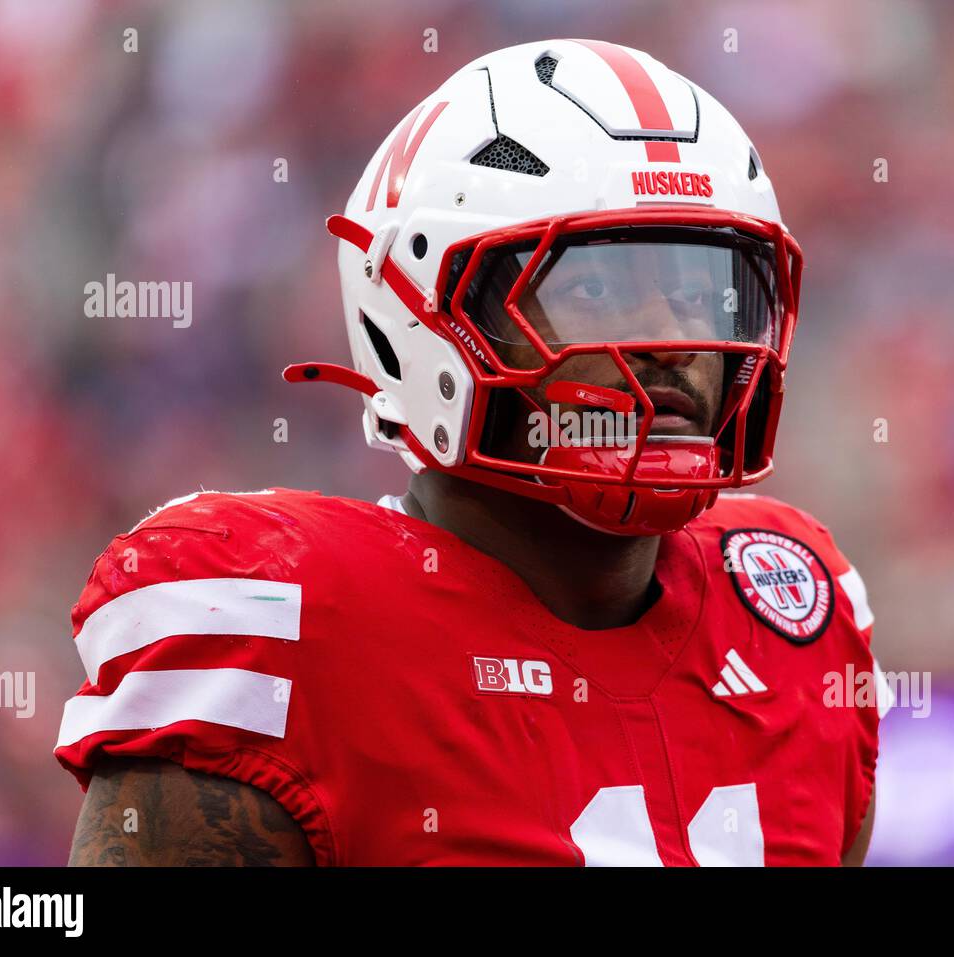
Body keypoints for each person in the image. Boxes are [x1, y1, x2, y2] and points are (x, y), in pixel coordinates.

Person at [57, 38, 887, 866]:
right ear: (426, 322)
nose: (676, 339)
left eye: (704, 290)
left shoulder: (791, 611)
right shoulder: (286, 626)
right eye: (596, 289)